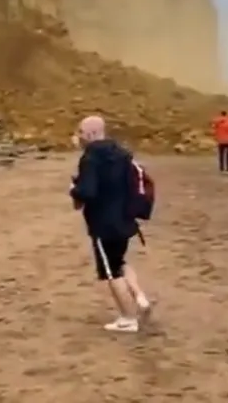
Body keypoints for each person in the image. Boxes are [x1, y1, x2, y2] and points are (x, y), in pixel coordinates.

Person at [69, 115, 154, 333]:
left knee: (111, 271)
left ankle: (128, 318)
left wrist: (74, 189)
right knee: (120, 261)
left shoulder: (91, 157)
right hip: (125, 219)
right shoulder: (122, 153)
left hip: (104, 224)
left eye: (80, 131)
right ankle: (140, 297)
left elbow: (87, 191)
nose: (78, 136)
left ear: (89, 134)